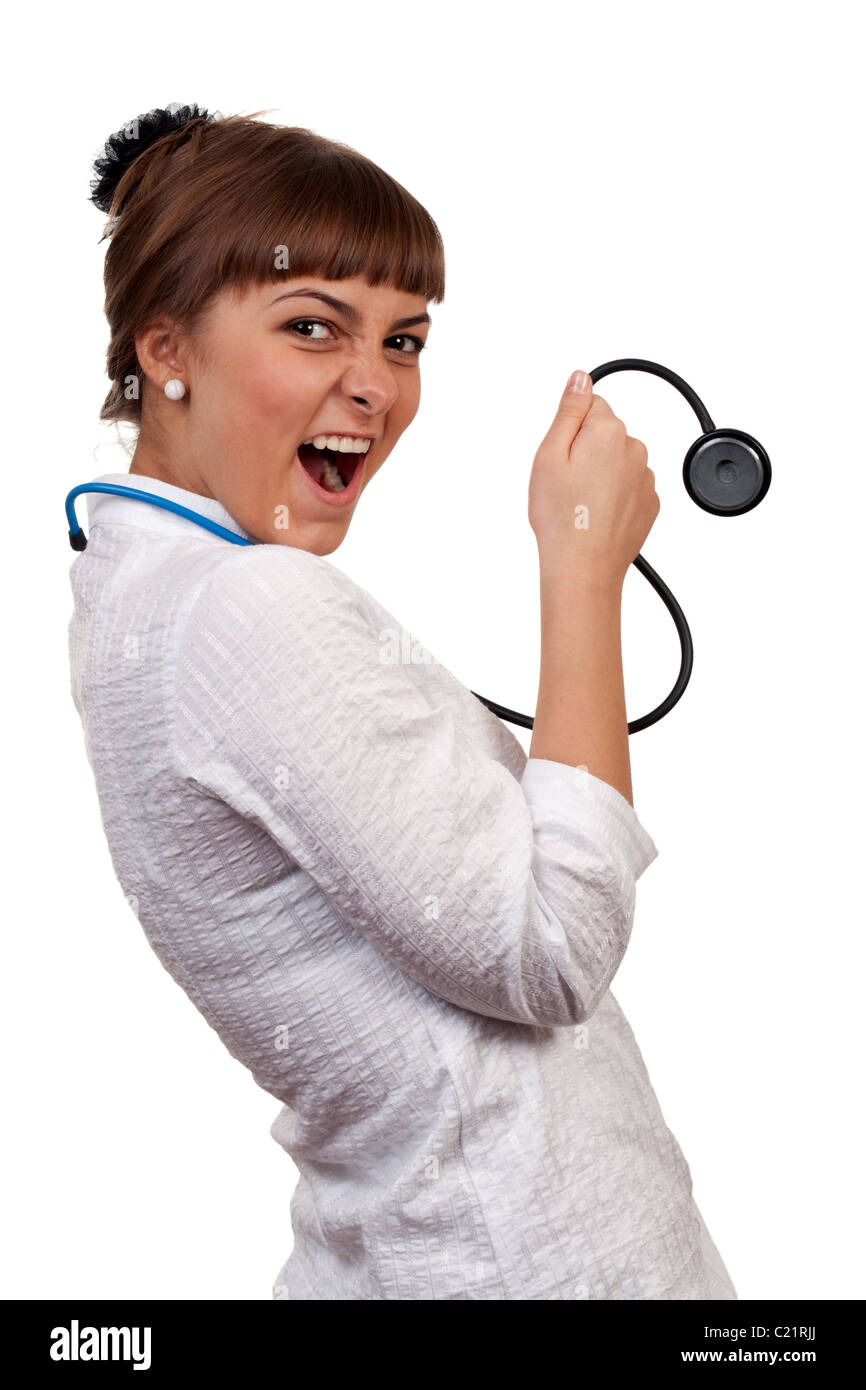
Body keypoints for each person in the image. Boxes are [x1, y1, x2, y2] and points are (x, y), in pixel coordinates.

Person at [68, 103, 737, 1300]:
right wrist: (582, 565)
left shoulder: (140, 596)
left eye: (404, 339)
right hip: (524, 1263)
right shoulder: (239, 609)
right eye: (312, 326)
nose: (372, 386)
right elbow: (549, 952)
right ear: (164, 350)